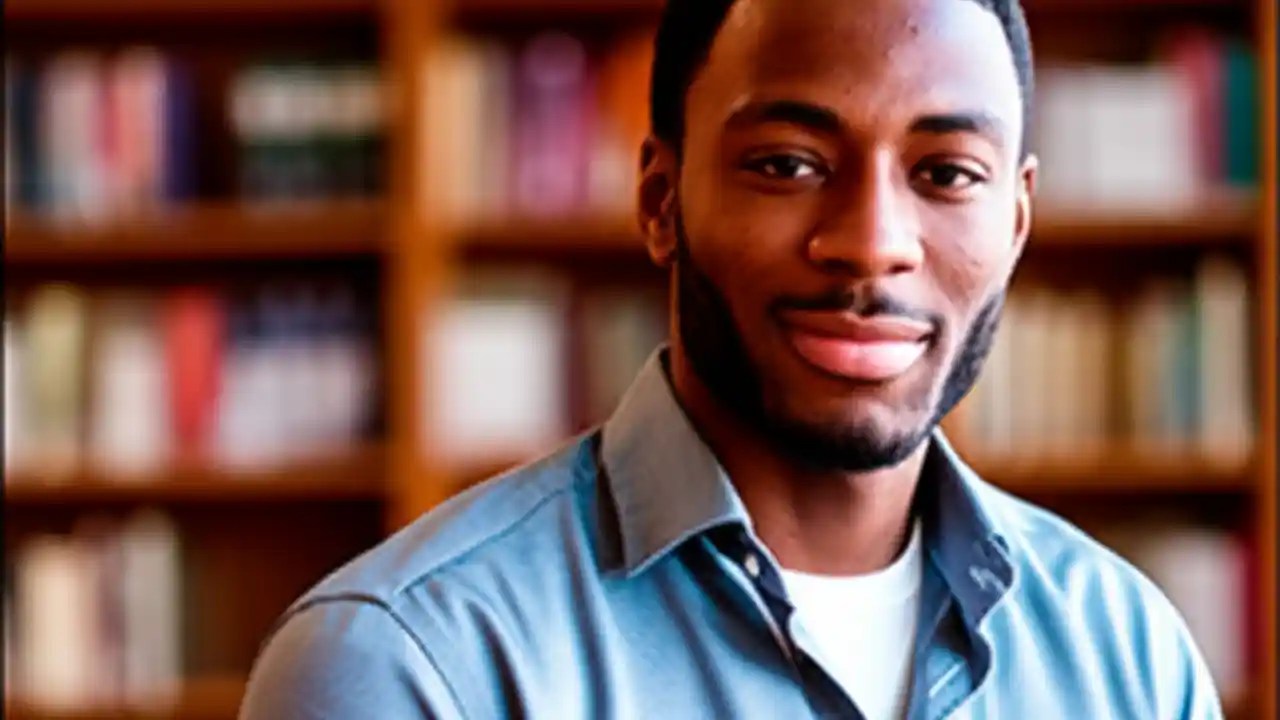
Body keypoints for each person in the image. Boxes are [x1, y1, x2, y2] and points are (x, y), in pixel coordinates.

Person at [240, 0, 1223, 717]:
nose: (870, 240)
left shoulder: (1127, 656)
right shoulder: (409, 663)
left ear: (1014, 220)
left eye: (944, 174)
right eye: (786, 164)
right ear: (661, 203)